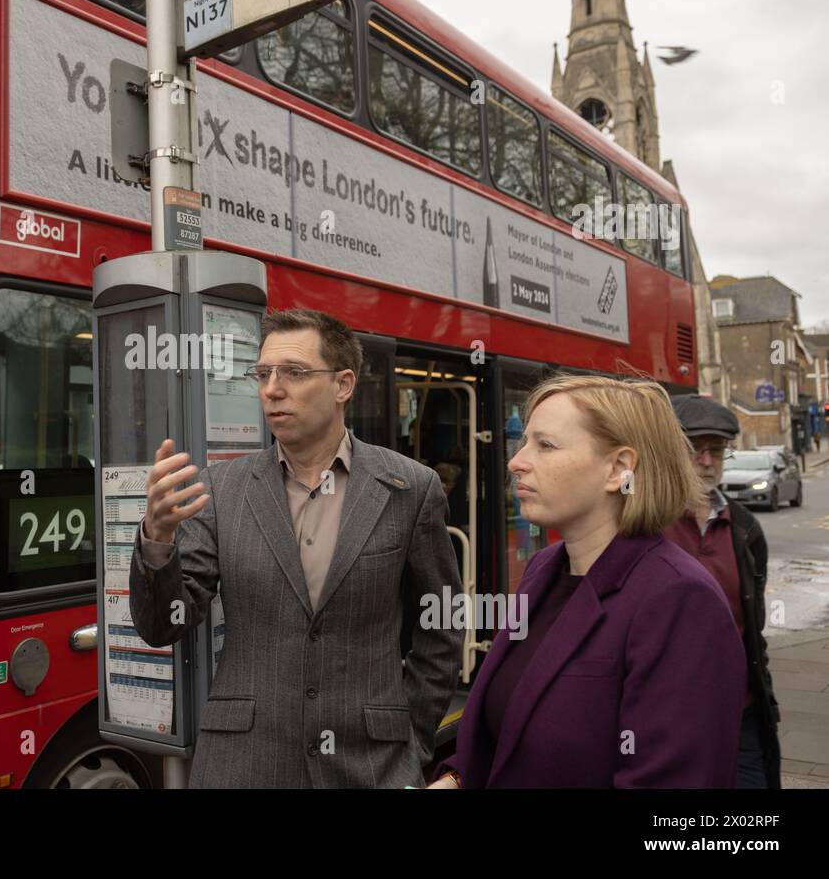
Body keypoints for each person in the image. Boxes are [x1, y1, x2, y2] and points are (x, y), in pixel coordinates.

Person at [131, 309, 461, 788]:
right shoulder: (222, 489)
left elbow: (441, 629)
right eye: (263, 374)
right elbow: (164, 624)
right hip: (244, 765)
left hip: (369, 766)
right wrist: (158, 540)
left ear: (343, 384)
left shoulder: (409, 488)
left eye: (294, 373)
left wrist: (410, 742)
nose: (272, 389)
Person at [429, 374, 745, 788]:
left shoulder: (679, 599)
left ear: (618, 469)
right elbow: (503, 735)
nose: (515, 461)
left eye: (545, 445)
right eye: (525, 442)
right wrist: (452, 780)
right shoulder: (543, 570)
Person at [664, 394, 781, 789]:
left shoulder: (746, 529)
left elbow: (753, 627)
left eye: (716, 449)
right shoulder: (642, 524)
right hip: (664, 713)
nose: (707, 460)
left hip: (738, 712)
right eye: (695, 449)